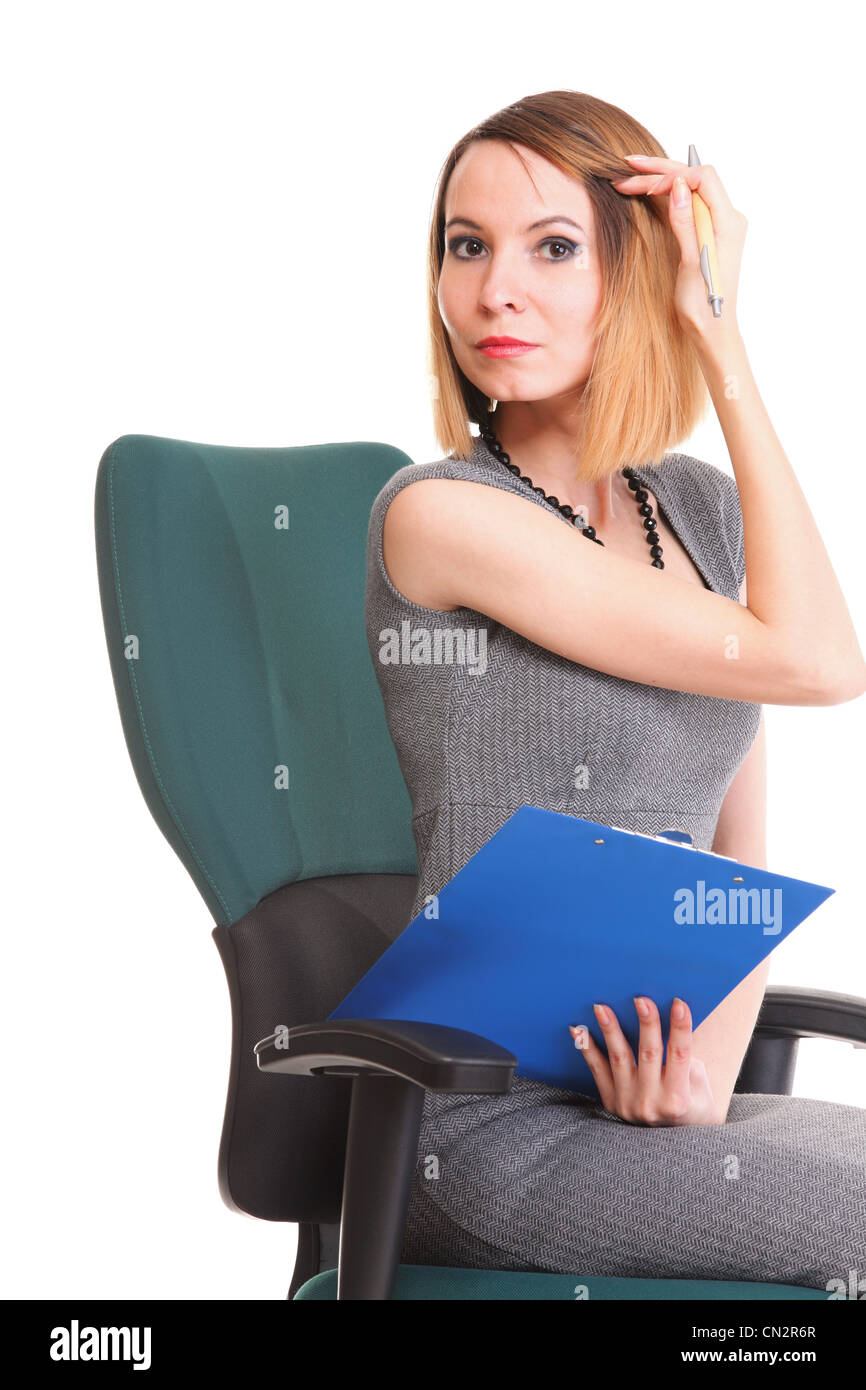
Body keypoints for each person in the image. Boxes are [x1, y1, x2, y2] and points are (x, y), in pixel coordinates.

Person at [364, 89, 866, 1288]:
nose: (495, 291)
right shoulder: (439, 518)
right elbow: (818, 662)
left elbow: (733, 858)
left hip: (654, 1115)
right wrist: (722, 340)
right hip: (473, 1129)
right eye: (465, 244)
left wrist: (701, 1081)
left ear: (628, 271)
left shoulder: (695, 510)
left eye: (551, 247)